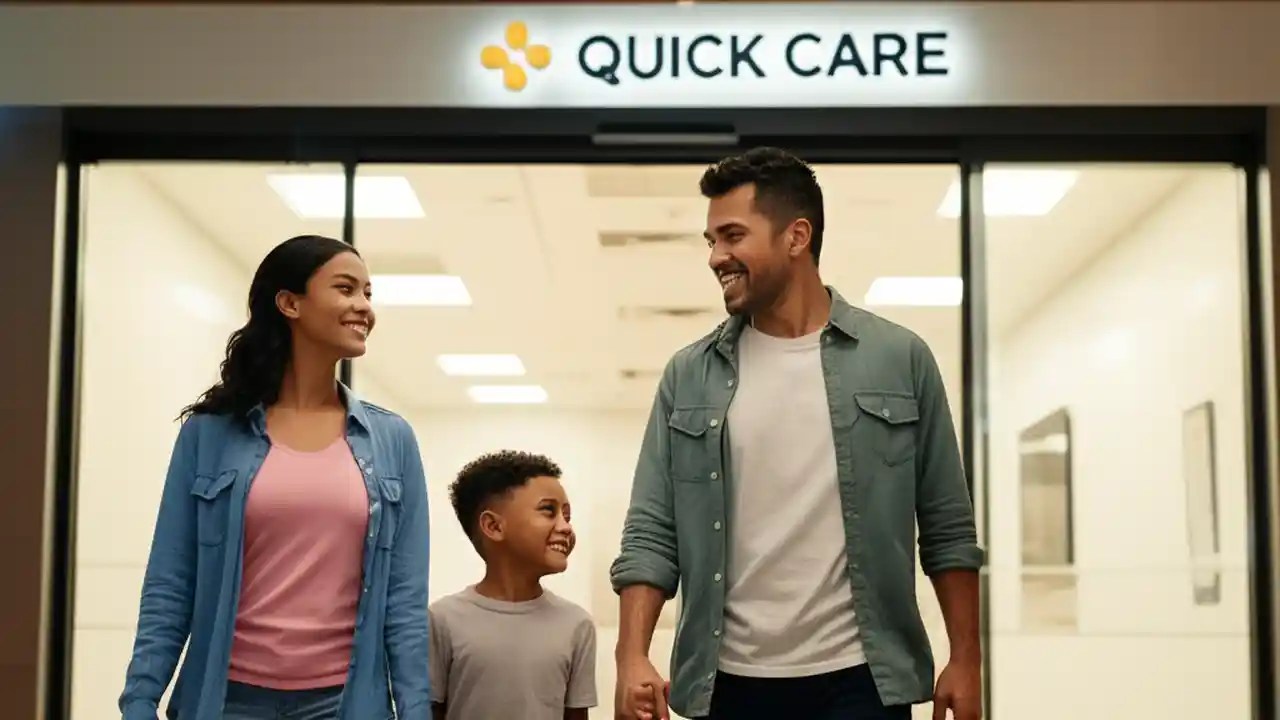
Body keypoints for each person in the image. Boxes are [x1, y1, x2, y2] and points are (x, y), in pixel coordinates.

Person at [610, 148, 985, 720]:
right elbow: (651, 531)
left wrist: (965, 657)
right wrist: (630, 655)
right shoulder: (690, 374)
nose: (716, 257)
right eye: (710, 240)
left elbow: (947, 524)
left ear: (796, 236)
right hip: (728, 682)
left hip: (862, 681)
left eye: (732, 235)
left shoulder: (898, 358)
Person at [118, 235, 432, 720]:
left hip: (344, 704)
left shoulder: (392, 440)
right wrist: (140, 700)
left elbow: (405, 603)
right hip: (225, 701)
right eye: (346, 289)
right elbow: (170, 581)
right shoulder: (210, 434)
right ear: (289, 303)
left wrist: (414, 711)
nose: (364, 307)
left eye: (368, 293)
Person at [429, 450, 597, 720]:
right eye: (548, 511)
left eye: (567, 515)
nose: (565, 527)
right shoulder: (442, 619)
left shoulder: (577, 624)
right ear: (493, 526)